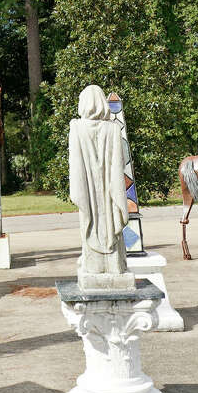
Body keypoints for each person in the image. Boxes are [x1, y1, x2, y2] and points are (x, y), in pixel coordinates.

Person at [69, 84, 132, 291]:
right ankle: (114, 266)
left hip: (88, 191)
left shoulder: (76, 127)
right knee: (111, 222)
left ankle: (94, 266)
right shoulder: (113, 128)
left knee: (90, 221)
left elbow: (75, 165)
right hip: (109, 190)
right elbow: (121, 162)